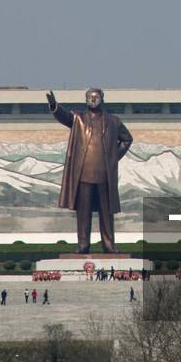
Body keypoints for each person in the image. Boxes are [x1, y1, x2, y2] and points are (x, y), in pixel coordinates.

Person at [45, 88, 133, 254]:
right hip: (84, 173)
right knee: (83, 213)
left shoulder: (113, 121)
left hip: (104, 174)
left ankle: (109, 245)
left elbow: (127, 139)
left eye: (95, 97)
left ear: (102, 99)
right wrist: (55, 106)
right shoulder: (78, 119)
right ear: (86, 100)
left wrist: (113, 157)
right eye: (89, 98)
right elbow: (64, 117)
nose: (92, 100)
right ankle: (83, 245)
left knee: (106, 213)